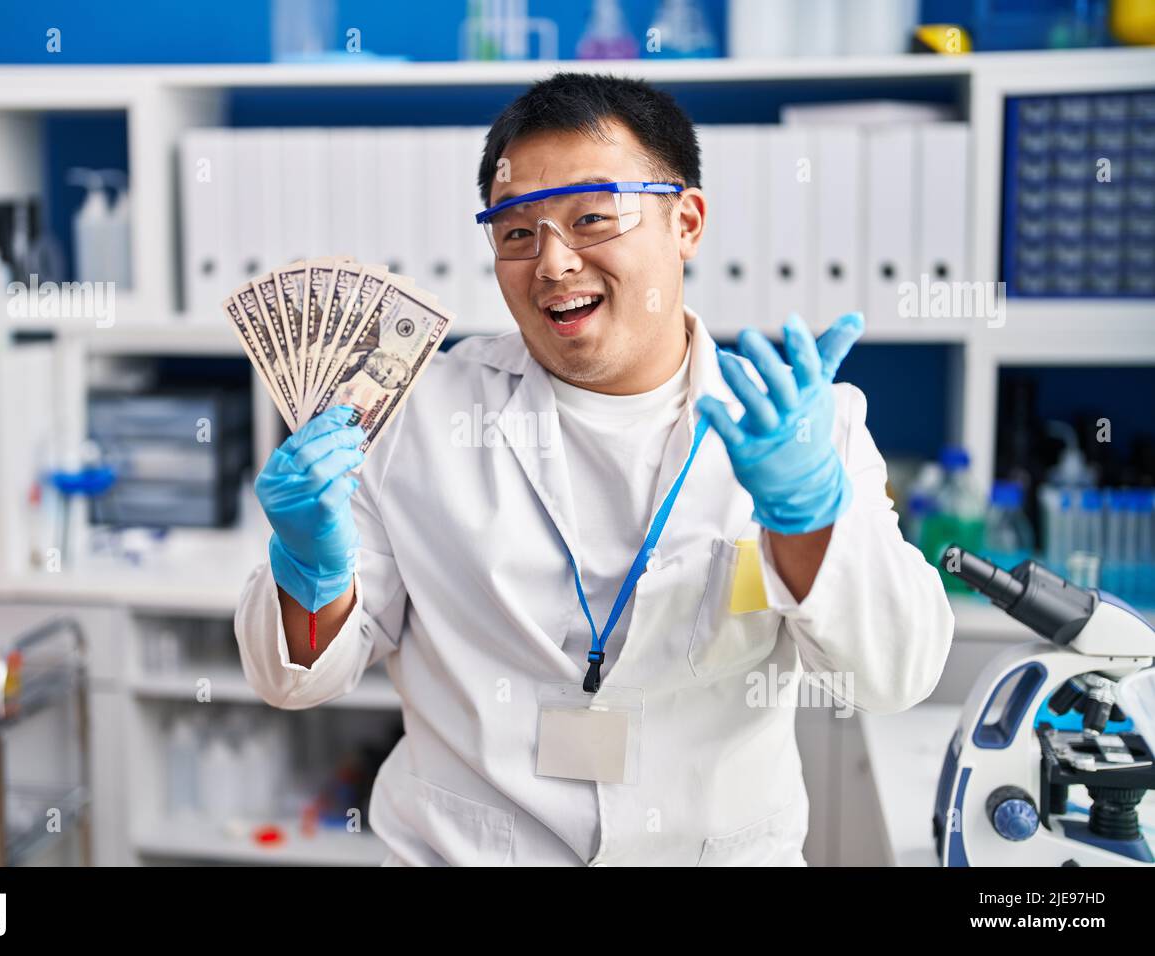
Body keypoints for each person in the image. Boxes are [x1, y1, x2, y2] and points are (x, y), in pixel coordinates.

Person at [234, 73, 954, 866]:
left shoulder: (807, 427)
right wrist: (309, 569)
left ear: (686, 222)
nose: (552, 262)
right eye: (515, 232)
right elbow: (295, 679)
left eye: (591, 218)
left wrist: (807, 521)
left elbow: (896, 678)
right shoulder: (412, 415)